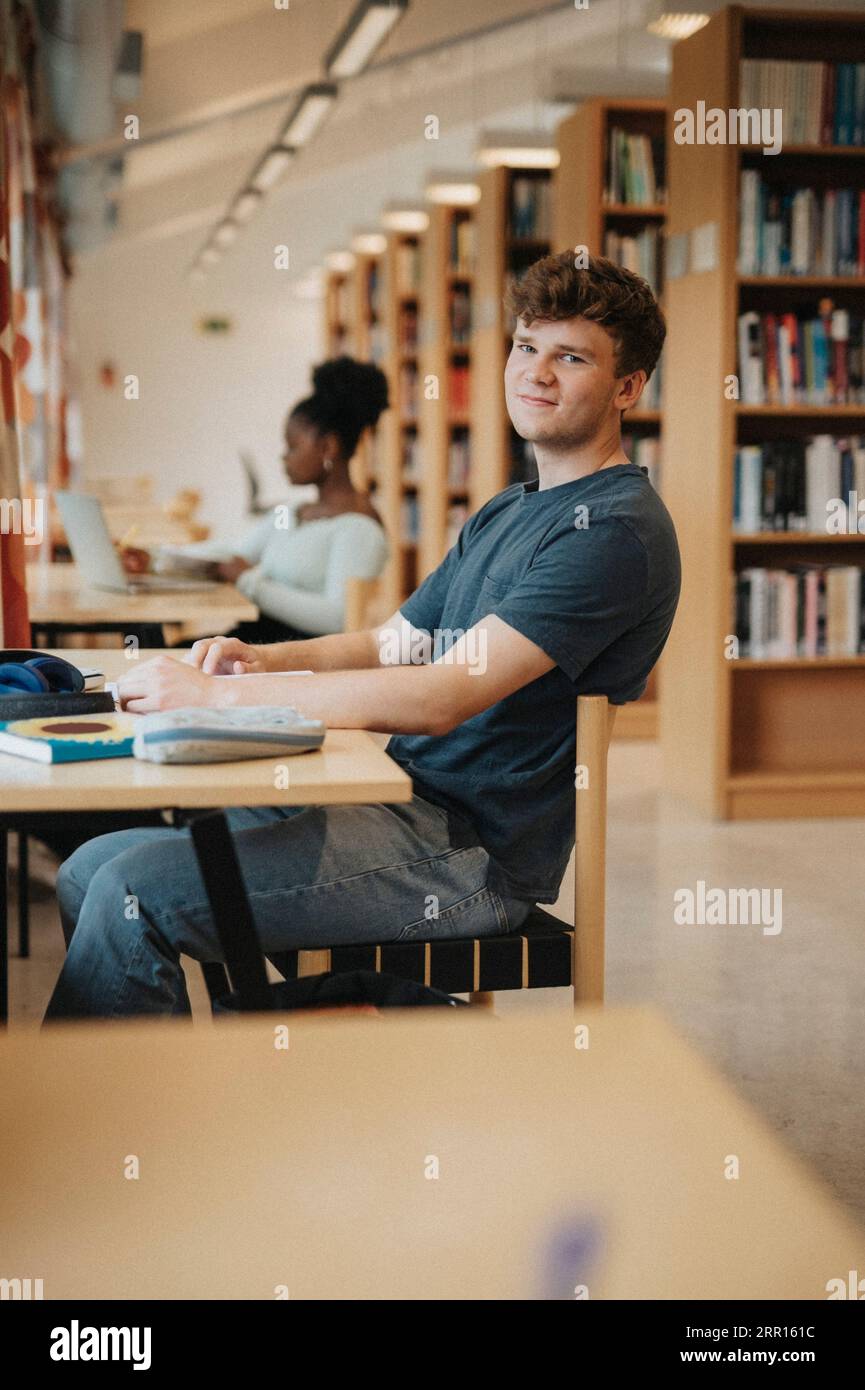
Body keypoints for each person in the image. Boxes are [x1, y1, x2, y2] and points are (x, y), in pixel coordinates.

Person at [44, 253, 681, 1021]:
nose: (535, 373)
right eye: (525, 347)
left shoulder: (613, 532)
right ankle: (165, 1106)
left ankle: (149, 1128)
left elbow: (443, 694)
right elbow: (397, 642)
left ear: (626, 387)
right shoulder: (508, 510)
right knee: (87, 869)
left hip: (465, 858)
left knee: (128, 895)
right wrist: (259, 660)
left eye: (569, 357)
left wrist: (219, 693)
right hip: (392, 806)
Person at [122, 356, 390, 642]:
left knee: (157, 651)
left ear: (328, 447)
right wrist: (156, 557)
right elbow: (234, 552)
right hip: (254, 643)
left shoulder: (360, 528)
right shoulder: (295, 512)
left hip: (290, 660)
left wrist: (248, 580)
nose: (283, 458)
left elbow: (338, 618)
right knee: (152, 643)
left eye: (292, 447)